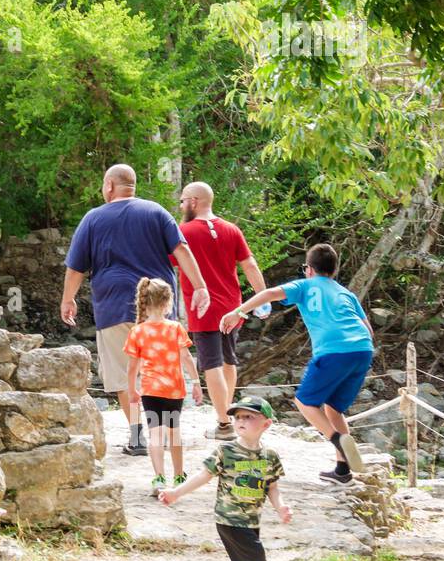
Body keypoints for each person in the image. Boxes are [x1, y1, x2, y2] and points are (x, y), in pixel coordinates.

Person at [61, 163, 211, 456]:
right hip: (156, 305)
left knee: (123, 371)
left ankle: (137, 437)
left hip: (113, 304)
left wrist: (68, 299)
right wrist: (201, 286)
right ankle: (163, 430)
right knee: (159, 367)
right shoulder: (157, 212)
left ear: (109, 186)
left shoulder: (93, 219)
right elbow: (182, 251)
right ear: (133, 186)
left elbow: (76, 266)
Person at [220, 243, 373, 483]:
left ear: (309, 269)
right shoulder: (346, 293)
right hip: (363, 349)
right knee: (334, 408)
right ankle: (343, 471)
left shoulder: (304, 285)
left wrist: (238, 311)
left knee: (305, 401)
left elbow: (270, 294)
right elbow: (369, 330)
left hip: (333, 349)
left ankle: (338, 440)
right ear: (333, 270)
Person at [158, 397, 291, 561]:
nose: (241, 420)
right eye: (238, 416)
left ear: (266, 424)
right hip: (229, 518)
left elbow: (272, 487)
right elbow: (204, 475)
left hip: (251, 520)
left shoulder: (270, 456)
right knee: (256, 555)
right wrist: (177, 492)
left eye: (249, 416)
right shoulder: (226, 451)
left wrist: (280, 507)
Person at [174, 181, 271, 441]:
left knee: (211, 365)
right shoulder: (231, 229)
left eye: (183, 201)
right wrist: (262, 298)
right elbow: (249, 265)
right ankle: (226, 415)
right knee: (229, 360)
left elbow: (168, 262)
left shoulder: (183, 232)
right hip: (233, 307)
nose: (182, 206)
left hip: (203, 308)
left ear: (193, 202)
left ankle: (224, 423)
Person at [123, 277, 203, 493]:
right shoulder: (175, 328)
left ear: (144, 301)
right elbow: (186, 358)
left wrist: (132, 389)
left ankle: (159, 478)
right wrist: (196, 383)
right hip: (174, 389)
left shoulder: (137, 332)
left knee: (155, 434)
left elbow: (132, 367)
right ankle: (179, 476)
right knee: (174, 433)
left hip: (150, 390)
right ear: (168, 302)